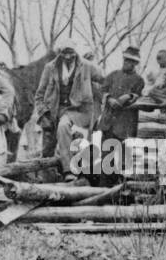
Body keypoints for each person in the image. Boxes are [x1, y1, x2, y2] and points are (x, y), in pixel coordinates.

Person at [34, 44, 100, 175]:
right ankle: (47, 181)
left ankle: (69, 171)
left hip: (76, 111)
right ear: (60, 53)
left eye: (71, 53)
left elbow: (104, 82)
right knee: (47, 147)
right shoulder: (50, 68)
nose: (68, 57)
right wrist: (43, 114)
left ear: (76, 53)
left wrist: (96, 103)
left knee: (64, 127)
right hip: (53, 111)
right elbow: (39, 95)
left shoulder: (87, 66)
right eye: (65, 53)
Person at [98, 46, 145, 141]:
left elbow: (140, 98)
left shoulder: (139, 80)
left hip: (125, 125)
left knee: (123, 154)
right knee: (106, 153)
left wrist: (129, 96)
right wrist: (109, 98)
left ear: (135, 63)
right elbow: (102, 90)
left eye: (131, 61)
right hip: (109, 123)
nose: (127, 62)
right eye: (126, 59)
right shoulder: (113, 75)